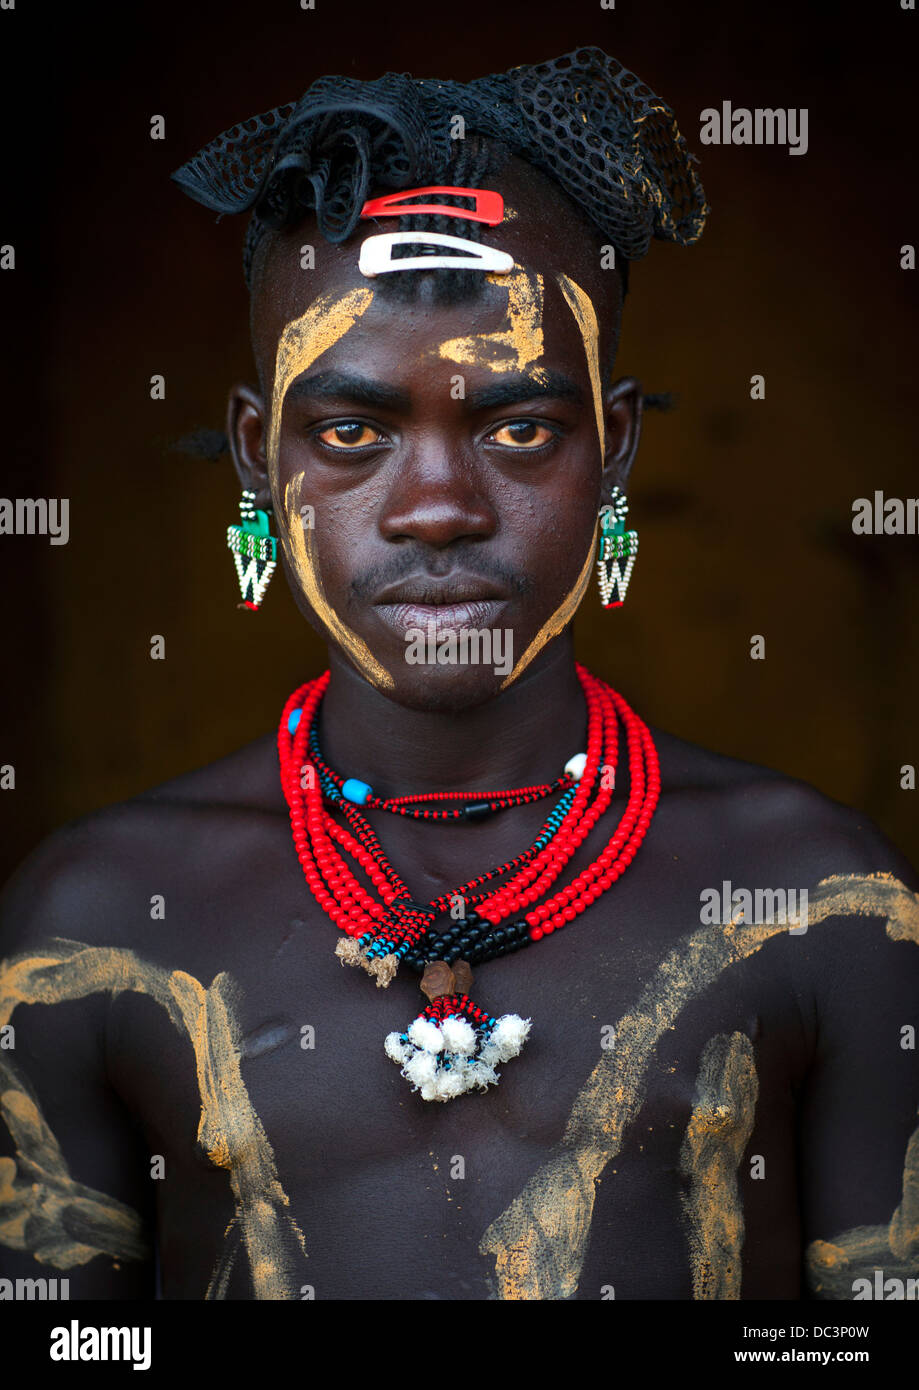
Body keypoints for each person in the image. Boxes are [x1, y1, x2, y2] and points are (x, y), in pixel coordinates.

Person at [1, 47, 917, 1303]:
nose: (437, 507)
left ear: (616, 448)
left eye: (519, 426)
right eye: (352, 432)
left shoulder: (824, 903)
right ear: (260, 458)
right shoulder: (94, 917)